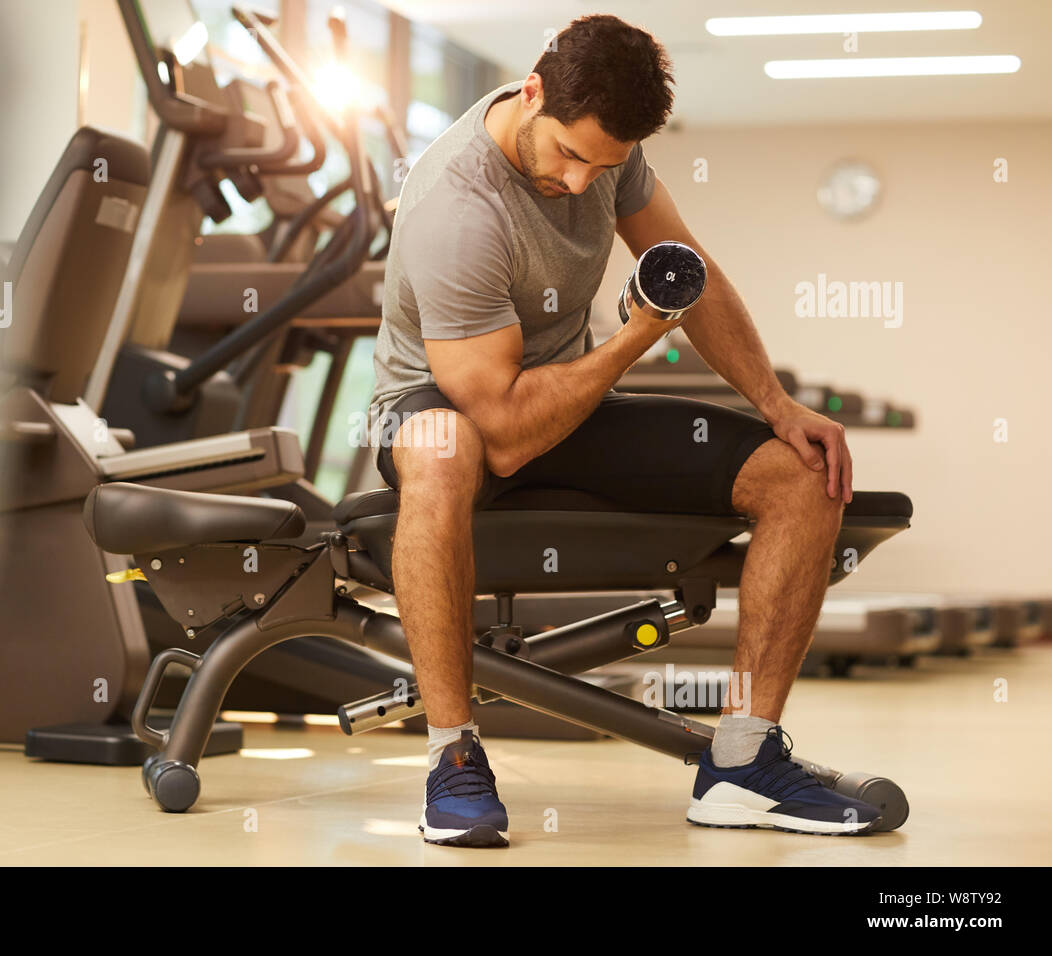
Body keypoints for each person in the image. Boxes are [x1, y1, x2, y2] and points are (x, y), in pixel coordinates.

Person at [367, 14, 881, 847]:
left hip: (564, 402)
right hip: (448, 408)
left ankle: (743, 763)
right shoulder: (454, 206)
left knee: (796, 472)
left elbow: (694, 273)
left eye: (599, 165)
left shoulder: (611, 155)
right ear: (530, 92)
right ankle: (451, 755)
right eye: (568, 154)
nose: (578, 183)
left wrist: (777, 405)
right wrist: (637, 337)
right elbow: (501, 431)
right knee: (447, 452)